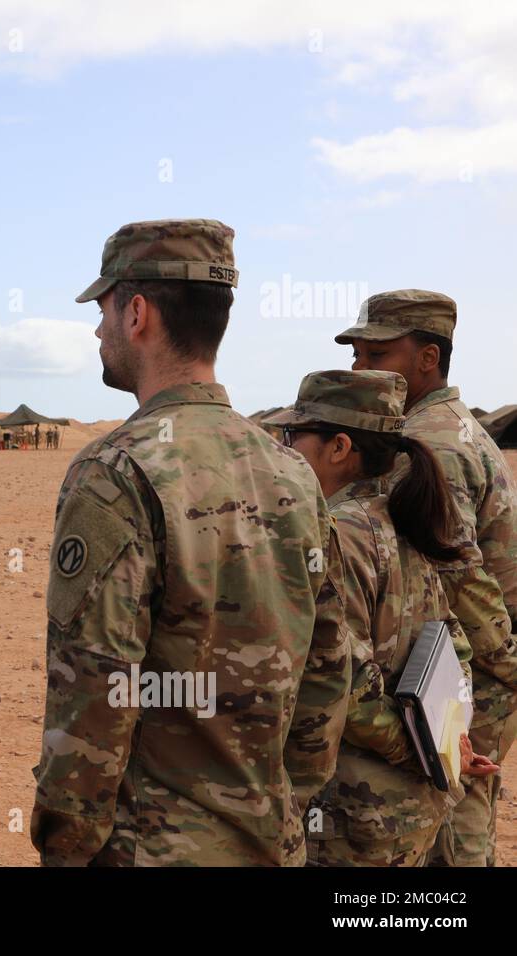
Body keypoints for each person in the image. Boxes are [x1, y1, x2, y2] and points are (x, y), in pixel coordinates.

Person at [32, 218, 350, 866]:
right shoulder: (292, 471)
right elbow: (328, 667)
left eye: (102, 311)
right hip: (272, 845)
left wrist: (67, 849)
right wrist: (279, 806)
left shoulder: (115, 472)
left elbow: (93, 697)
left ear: (137, 314)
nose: (97, 331)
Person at [265, 369, 499, 866]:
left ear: (339, 447)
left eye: (292, 435)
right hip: (409, 811)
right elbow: (453, 643)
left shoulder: (339, 534)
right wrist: (444, 746)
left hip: (352, 815)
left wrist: (423, 753)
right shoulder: (404, 515)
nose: (284, 448)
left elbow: (345, 688)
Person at [339, 289, 517, 866]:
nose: (360, 368)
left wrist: (504, 663)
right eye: (356, 354)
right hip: (471, 666)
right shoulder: (450, 426)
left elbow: (455, 571)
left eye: (377, 354)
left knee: (451, 834)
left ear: (428, 358)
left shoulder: (430, 441)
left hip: (465, 675)